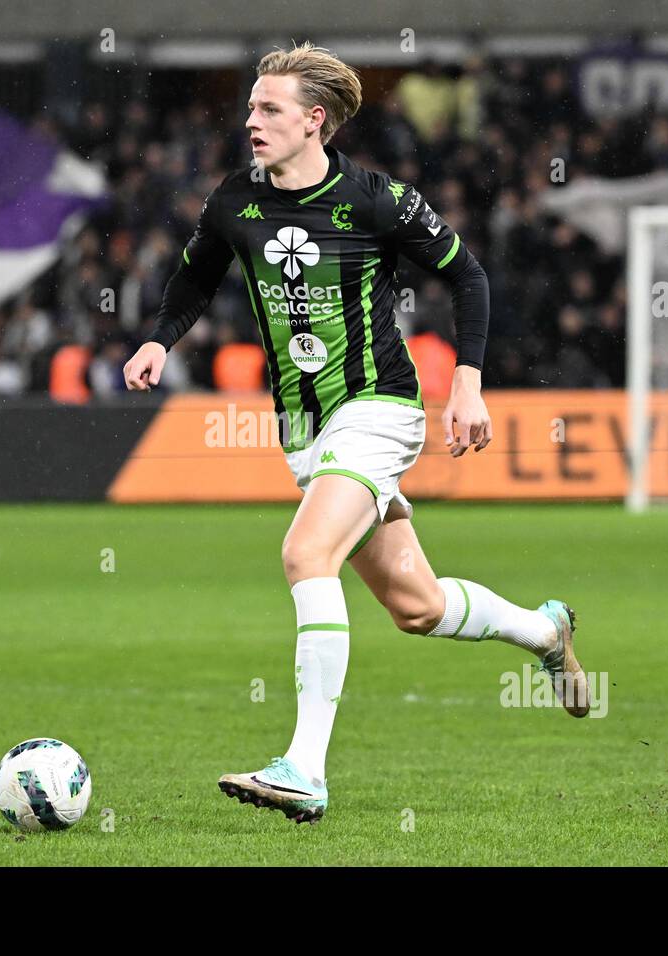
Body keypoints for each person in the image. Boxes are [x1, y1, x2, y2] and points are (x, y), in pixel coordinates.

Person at [124, 43, 592, 825]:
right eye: (249, 107)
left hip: (378, 407)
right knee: (416, 606)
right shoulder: (234, 201)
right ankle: (546, 631)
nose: (250, 121)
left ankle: (305, 768)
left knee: (306, 553)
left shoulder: (376, 200)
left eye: (268, 109)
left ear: (316, 121)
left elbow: (467, 274)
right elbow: (197, 276)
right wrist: (157, 340)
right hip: (304, 428)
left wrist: (467, 384)